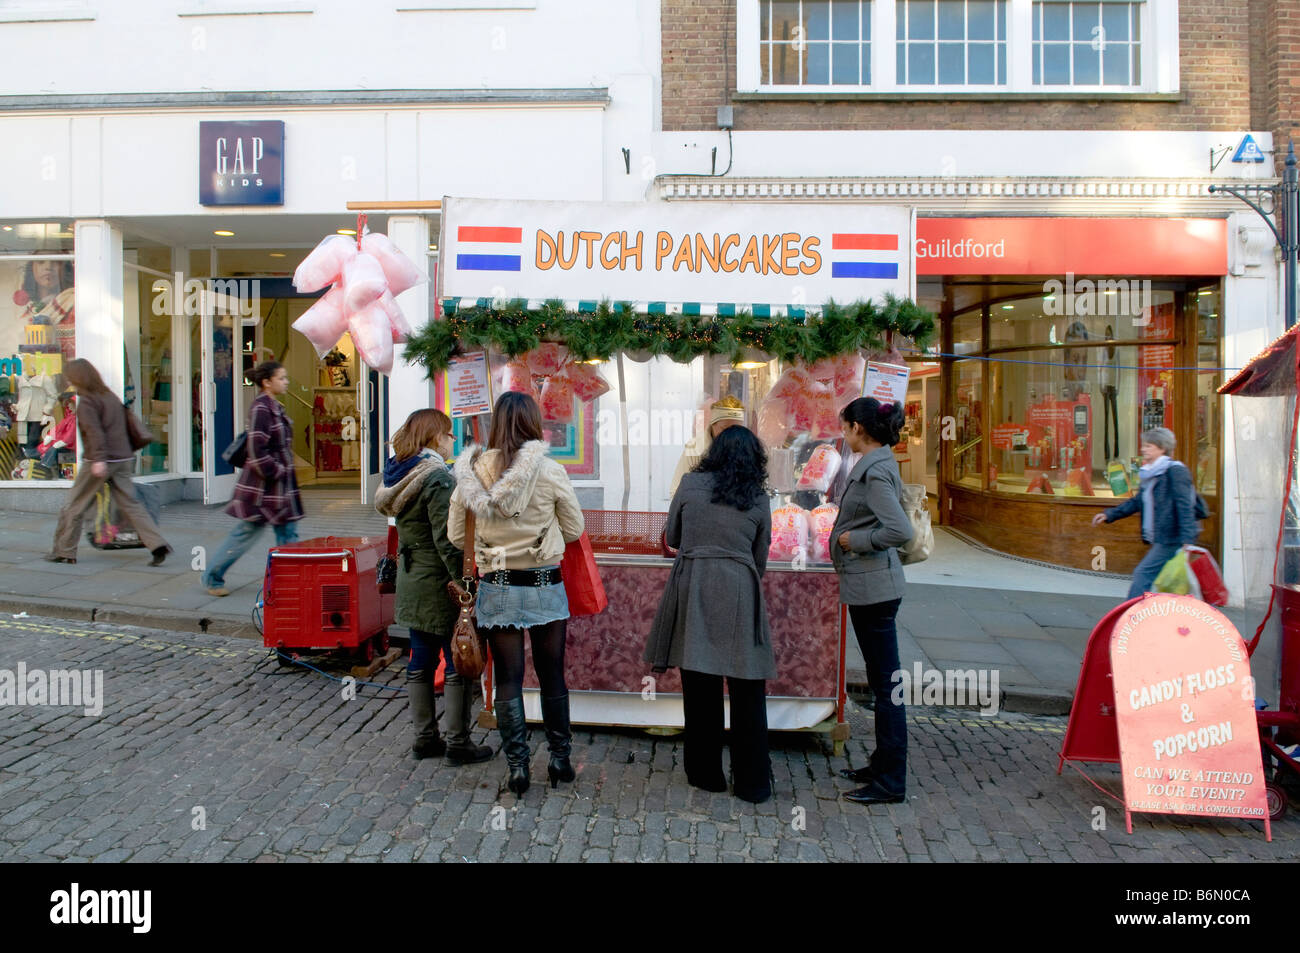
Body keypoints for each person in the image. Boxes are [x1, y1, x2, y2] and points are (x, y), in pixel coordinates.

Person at [448, 392, 585, 794]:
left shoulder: (471, 472)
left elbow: (458, 536)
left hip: (499, 586)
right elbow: (574, 530)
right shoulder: (550, 470)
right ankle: (560, 760)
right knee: (551, 675)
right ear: (533, 424)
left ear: (495, 425)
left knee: (507, 678)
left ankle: (517, 768)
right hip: (544, 585)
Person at [645, 426, 775, 803]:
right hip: (739, 587)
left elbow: (672, 535)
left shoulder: (690, 484)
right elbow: (760, 557)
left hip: (694, 584)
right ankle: (753, 784)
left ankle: (706, 774)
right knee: (748, 690)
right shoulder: (758, 497)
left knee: (700, 686)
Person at [375, 409, 493, 765]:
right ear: (433, 437)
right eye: (447, 434)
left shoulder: (400, 472)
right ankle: (458, 743)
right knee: (458, 655)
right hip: (439, 583)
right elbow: (447, 540)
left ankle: (424, 738)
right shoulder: (437, 478)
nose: (452, 440)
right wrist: (464, 586)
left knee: (421, 656)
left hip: (413, 578)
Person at [831, 397, 913, 806]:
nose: (843, 436)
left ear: (858, 429)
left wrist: (854, 540)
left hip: (875, 590)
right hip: (874, 588)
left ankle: (891, 781)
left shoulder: (875, 470)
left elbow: (900, 530)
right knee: (885, 685)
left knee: (887, 688)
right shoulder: (877, 464)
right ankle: (882, 765)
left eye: (844, 428)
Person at [45, 358, 171, 566]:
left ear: (77, 378)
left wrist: (99, 460)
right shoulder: (109, 395)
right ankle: (157, 544)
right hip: (123, 458)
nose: (68, 381)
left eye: (69, 377)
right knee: (131, 504)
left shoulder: (87, 401)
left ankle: (64, 551)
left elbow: (95, 433)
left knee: (74, 505)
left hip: (100, 459)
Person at [201, 361, 303, 596]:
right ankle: (212, 577)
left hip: (279, 487)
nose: (286, 382)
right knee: (245, 534)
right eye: (282, 378)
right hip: (264, 489)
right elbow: (257, 452)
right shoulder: (261, 408)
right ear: (267, 382)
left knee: (288, 535)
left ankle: (289, 584)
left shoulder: (274, 406)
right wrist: (278, 471)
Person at [1092, 427, 1200, 600]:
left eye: (1148, 446)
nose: (1143, 449)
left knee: (1143, 574)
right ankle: (1155, 617)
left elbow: (1184, 505)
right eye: (1144, 446)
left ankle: (1131, 615)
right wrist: (1110, 514)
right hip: (1159, 537)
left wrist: (1188, 539)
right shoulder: (1150, 473)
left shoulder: (1175, 471)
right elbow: (1137, 502)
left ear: (1162, 448)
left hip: (1171, 538)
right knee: (1161, 582)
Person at [668, 395, 745, 497]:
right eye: (724, 429)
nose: (730, 435)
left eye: (736, 429)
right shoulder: (695, 448)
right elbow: (676, 492)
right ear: (712, 424)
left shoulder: (747, 450)